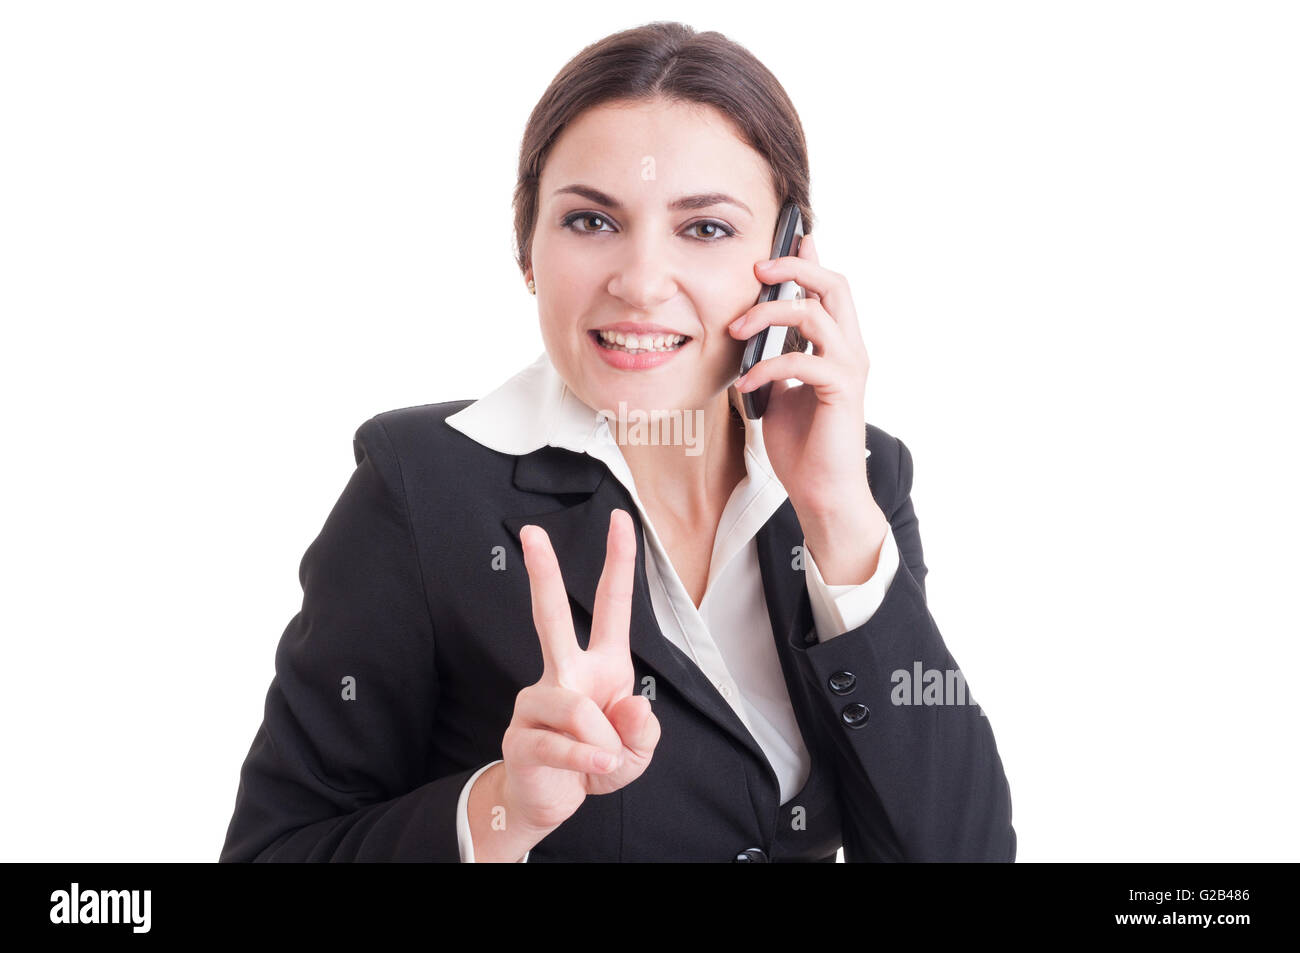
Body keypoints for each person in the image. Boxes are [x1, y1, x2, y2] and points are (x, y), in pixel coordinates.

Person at [219, 20, 1016, 863]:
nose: (639, 282)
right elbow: (273, 851)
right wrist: (499, 810)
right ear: (528, 247)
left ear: (787, 257)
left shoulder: (859, 475)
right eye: (592, 220)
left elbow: (960, 850)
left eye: (705, 228)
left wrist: (839, 518)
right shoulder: (420, 489)